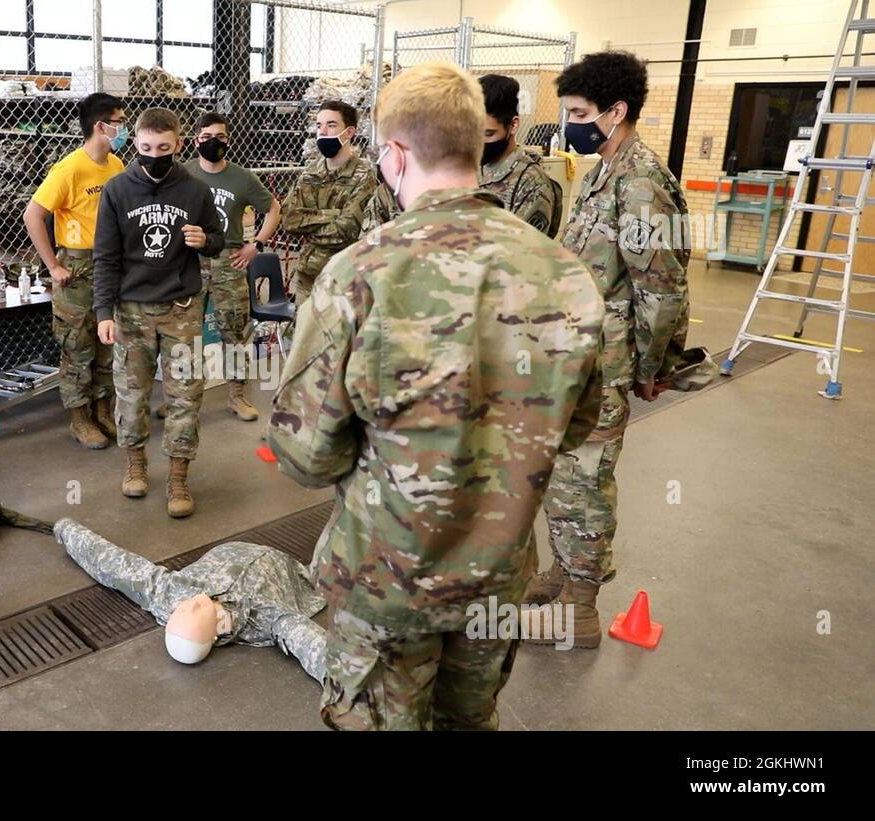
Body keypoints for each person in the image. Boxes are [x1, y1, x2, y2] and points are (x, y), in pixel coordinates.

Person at [267, 62, 604, 731]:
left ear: (394, 155)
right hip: (497, 576)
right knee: (469, 719)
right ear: (478, 145)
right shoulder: (565, 273)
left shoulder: (360, 273)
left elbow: (305, 453)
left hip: (388, 578)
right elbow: (574, 425)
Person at [522, 51, 691, 647]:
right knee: (562, 477)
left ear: (616, 112)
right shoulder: (603, 170)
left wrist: (651, 368)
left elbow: (661, 287)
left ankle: (582, 612)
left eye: (578, 113)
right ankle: (562, 578)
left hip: (605, 363)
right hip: (575, 358)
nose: (568, 124)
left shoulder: (639, 182)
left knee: (584, 483)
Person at [92, 107, 225, 519]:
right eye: (147, 148)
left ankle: (179, 476)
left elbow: (219, 240)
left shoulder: (196, 190)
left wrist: (205, 240)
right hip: (131, 311)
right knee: (131, 396)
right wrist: (103, 312)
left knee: (185, 395)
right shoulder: (116, 191)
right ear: (135, 143)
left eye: (164, 148)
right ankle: (135, 464)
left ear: (179, 145)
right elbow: (105, 258)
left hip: (181, 308)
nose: (154, 156)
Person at [54, 519, 327, 681]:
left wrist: (64, 528)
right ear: (216, 633)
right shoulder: (267, 618)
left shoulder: (170, 595)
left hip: (233, 548)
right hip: (295, 571)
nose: (193, 602)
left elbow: (112, 564)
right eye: (194, 611)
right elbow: (313, 646)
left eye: (182, 609)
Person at [23, 93, 126, 449]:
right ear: (101, 126)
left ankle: (103, 411)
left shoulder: (116, 164)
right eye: (119, 121)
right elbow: (33, 215)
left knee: (107, 342)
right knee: (78, 345)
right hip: (79, 266)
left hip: (111, 263)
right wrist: (53, 265)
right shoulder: (68, 169)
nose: (122, 127)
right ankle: (79, 420)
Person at [179, 112, 281, 422]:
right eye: (207, 136)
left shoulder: (242, 177)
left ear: (229, 140)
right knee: (185, 332)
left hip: (229, 260)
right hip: (191, 261)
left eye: (220, 137)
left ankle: (237, 396)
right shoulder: (182, 174)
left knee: (234, 332)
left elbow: (274, 209)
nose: (214, 142)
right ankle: (184, 399)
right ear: (196, 140)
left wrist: (257, 245)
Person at [278, 100, 377, 308]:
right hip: (308, 276)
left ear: (349, 132)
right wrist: (333, 215)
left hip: (344, 277)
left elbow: (348, 229)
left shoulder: (363, 175)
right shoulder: (311, 172)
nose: (323, 132)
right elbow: (289, 220)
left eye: (331, 125)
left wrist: (310, 227)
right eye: (318, 125)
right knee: (305, 337)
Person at [478, 74, 561, 237]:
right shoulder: (470, 167)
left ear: (513, 125)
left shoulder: (531, 184)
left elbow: (524, 254)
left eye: (488, 134)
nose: (478, 143)